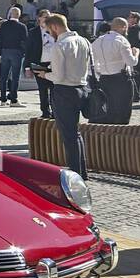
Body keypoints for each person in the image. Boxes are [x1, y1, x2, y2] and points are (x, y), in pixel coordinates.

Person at [46, 14, 91, 179]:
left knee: (68, 135)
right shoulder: (84, 41)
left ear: (55, 27)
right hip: (81, 89)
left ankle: (75, 173)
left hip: (64, 91)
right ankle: (82, 170)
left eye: (49, 30)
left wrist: (44, 75)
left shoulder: (60, 45)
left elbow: (58, 77)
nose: (49, 33)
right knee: (76, 134)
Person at [91, 17, 137, 124]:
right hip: (121, 78)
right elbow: (131, 62)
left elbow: (92, 62)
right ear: (123, 27)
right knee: (124, 108)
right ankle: (122, 133)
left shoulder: (98, 40)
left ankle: (109, 133)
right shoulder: (121, 40)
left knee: (109, 108)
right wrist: (136, 53)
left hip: (104, 78)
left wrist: (99, 72)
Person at [0, 6, 28, 107]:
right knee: (15, 77)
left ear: (10, 14)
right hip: (16, 52)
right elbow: (26, 41)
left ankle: (3, 99)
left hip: (5, 51)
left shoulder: (4, 25)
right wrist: (24, 52)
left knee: (4, 76)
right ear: (19, 15)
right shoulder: (22, 26)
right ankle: (13, 99)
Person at [25, 9, 55, 117]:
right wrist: (27, 67)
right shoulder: (33, 32)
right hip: (39, 63)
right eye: (45, 17)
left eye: (49, 17)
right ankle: (45, 111)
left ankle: (55, 111)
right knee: (42, 89)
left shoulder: (54, 30)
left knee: (54, 89)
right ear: (39, 18)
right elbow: (28, 50)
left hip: (53, 63)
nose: (47, 19)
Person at [127, 12, 140, 103]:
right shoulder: (137, 28)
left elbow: (138, 42)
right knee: (135, 74)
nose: (128, 18)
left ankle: (135, 95)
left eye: (130, 17)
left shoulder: (136, 28)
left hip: (136, 52)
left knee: (135, 74)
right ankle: (135, 94)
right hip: (137, 52)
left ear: (135, 19)